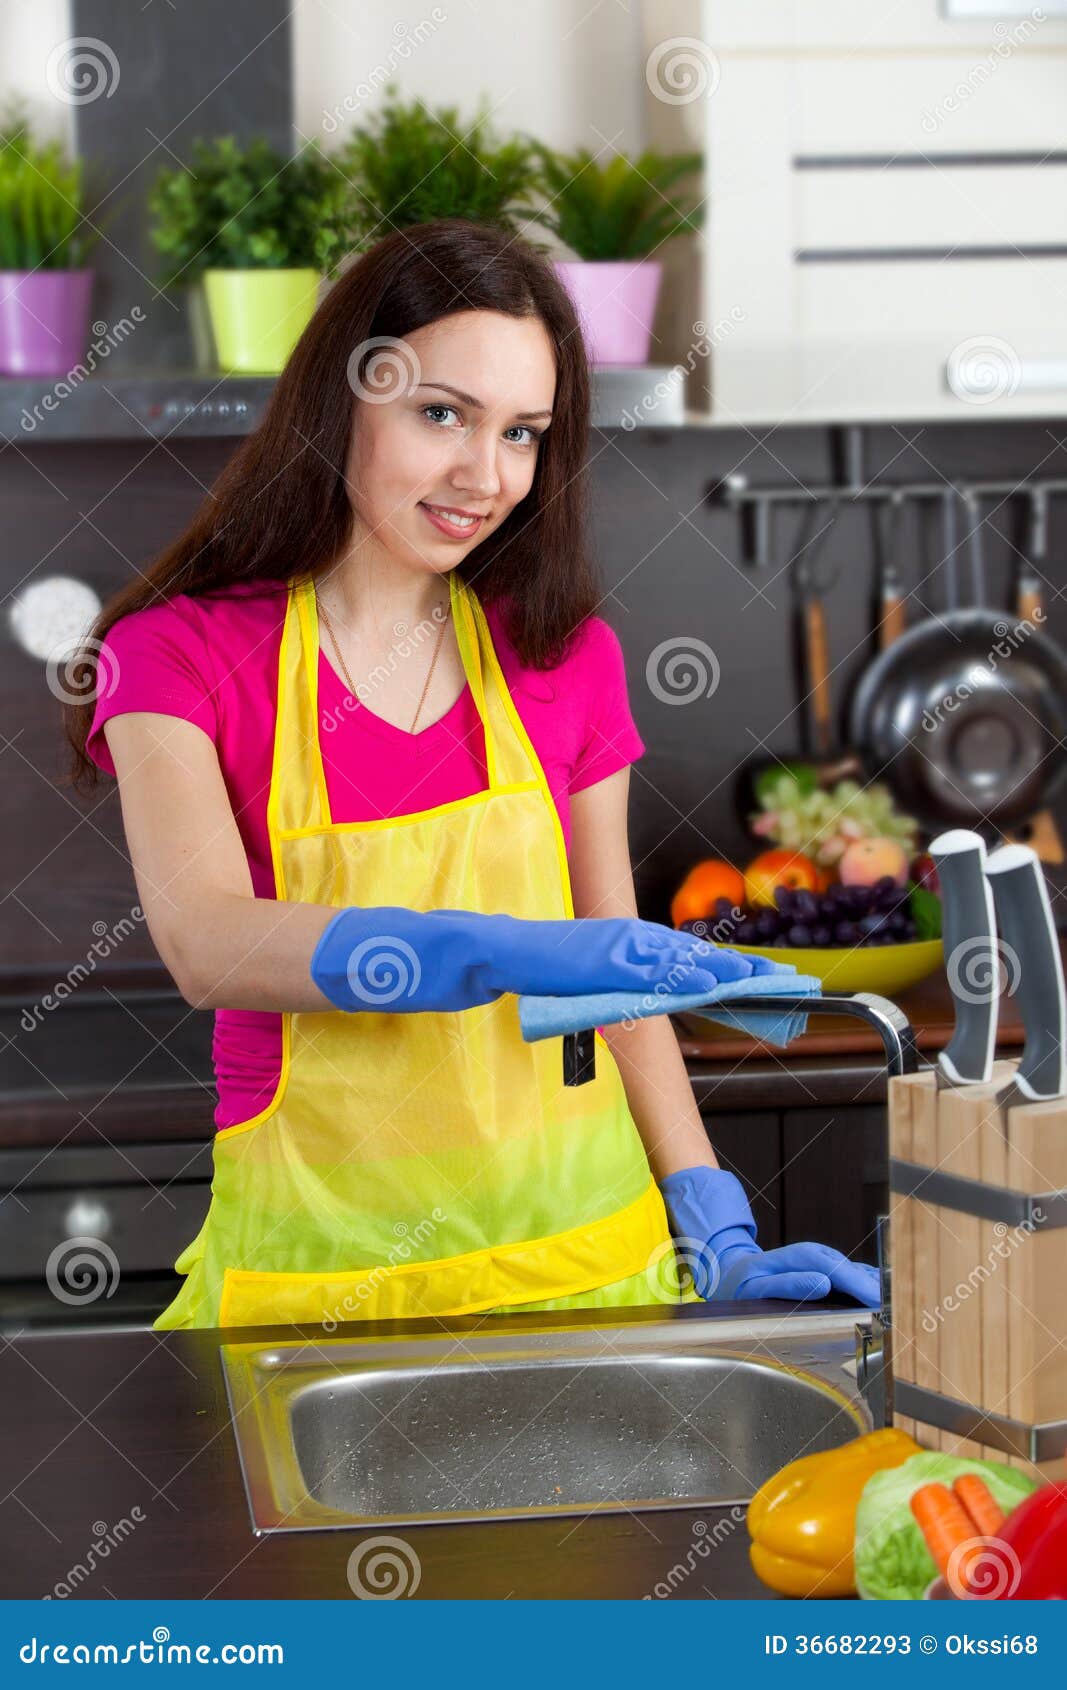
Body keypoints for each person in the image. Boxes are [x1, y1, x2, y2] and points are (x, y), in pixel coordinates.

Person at [65, 218, 878, 1330]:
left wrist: (714, 1220)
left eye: (521, 433)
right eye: (440, 414)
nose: (482, 476)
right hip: (314, 1308)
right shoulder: (178, 655)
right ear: (342, 397)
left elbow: (623, 982)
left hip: (591, 1277)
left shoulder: (561, 655)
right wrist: (501, 948)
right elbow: (210, 943)